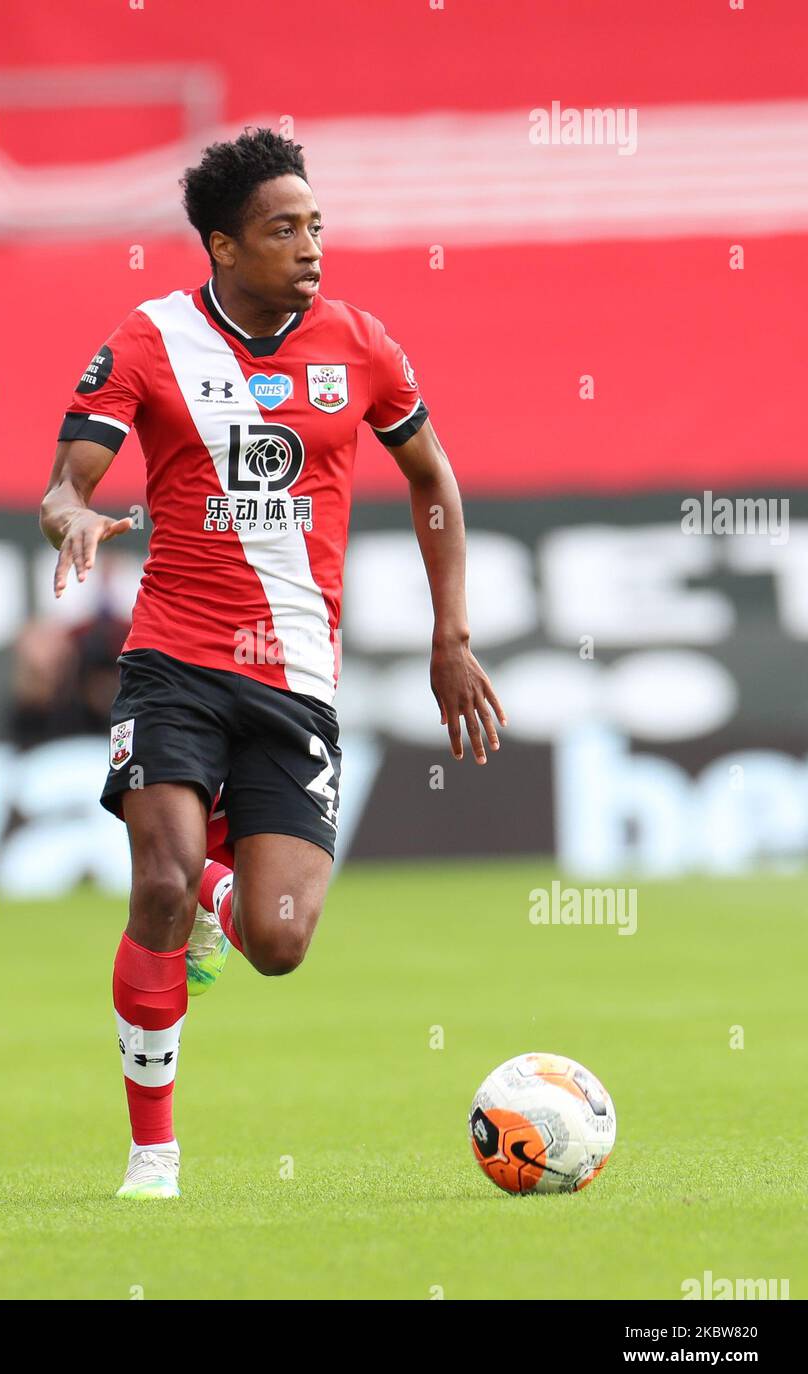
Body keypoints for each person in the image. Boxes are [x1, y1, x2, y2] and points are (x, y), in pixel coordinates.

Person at [40, 128, 505, 1199]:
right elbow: (69, 478)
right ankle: (152, 1153)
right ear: (221, 246)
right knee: (155, 884)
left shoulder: (360, 344)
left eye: (315, 226)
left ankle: (218, 882)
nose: (308, 247)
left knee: (279, 942)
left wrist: (451, 637)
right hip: (170, 657)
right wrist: (71, 511)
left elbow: (431, 478)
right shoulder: (151, 338)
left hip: (294, 676)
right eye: (281, 229)